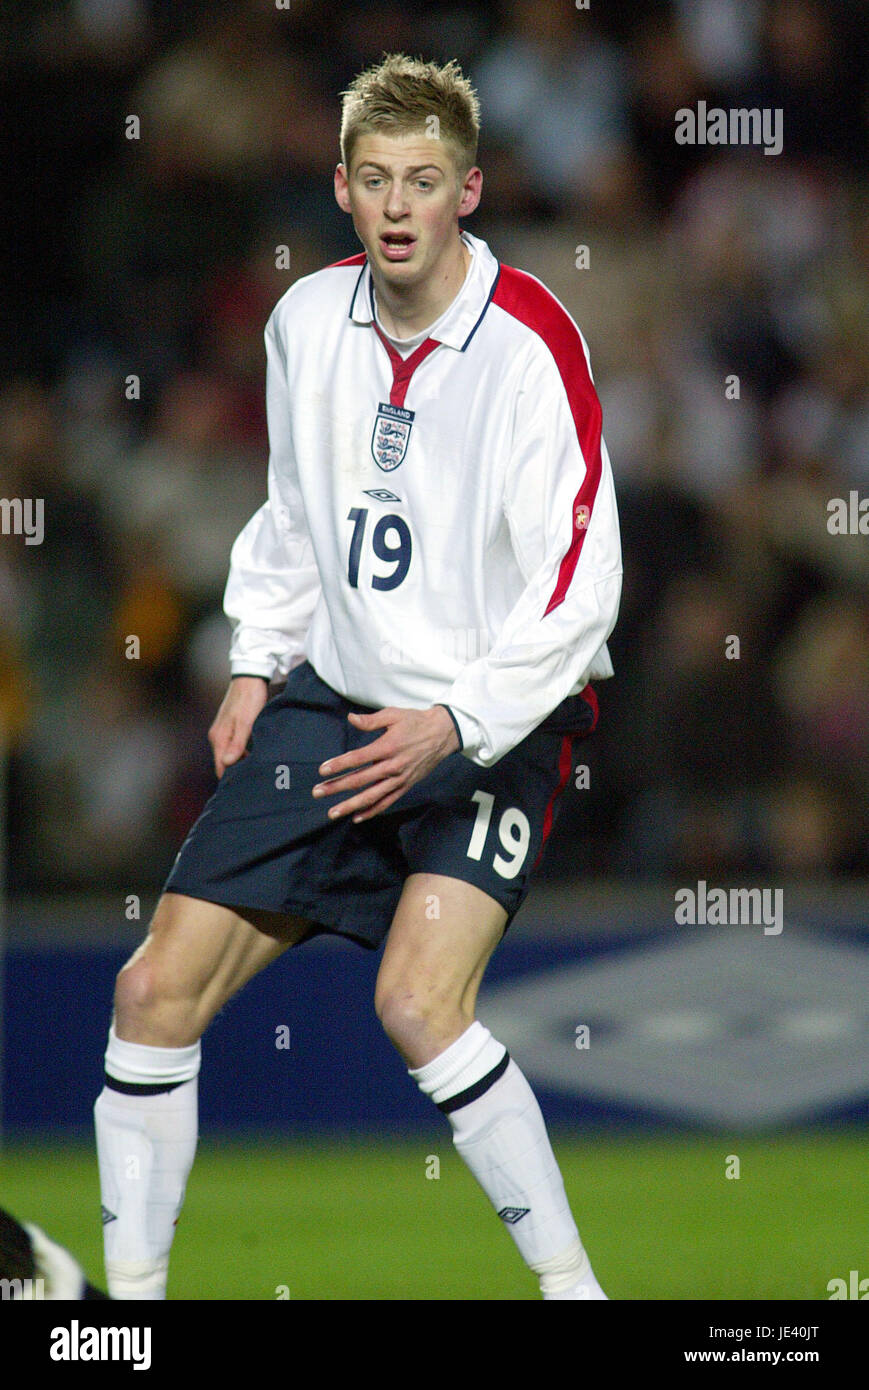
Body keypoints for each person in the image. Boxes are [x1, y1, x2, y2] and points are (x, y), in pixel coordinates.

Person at [94, 53, 622, 1301]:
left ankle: (572, 1293)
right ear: (339, 188)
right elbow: (293, 517)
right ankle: (124, 1319)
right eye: (375, 179)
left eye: (423, 181)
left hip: (490, 714)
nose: (396, 205)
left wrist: (459, 719)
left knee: (414, 1005)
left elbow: (582, 582)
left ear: (469, 190)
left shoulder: (530, 345)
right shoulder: (302, 325)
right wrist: (251, 662)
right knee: (152, 988)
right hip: (334, 705)